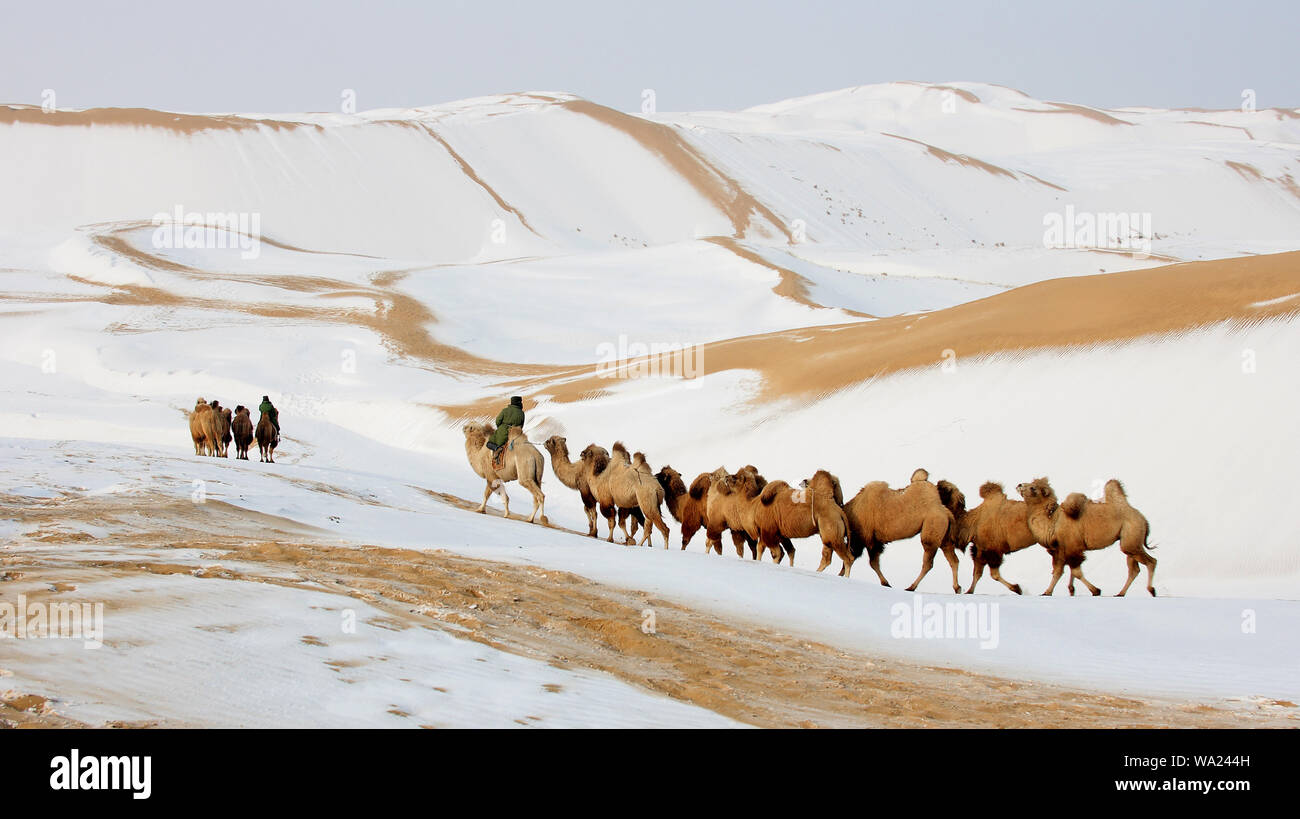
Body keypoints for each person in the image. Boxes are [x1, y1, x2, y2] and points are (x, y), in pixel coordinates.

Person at [488, 396, 524, 465]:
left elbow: (498, 421)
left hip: (503, 432)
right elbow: (521, 426)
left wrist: (501, 428)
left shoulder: (505, 410)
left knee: (489, 442)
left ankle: (497, 450)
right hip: (516, 434)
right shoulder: (522, 413)